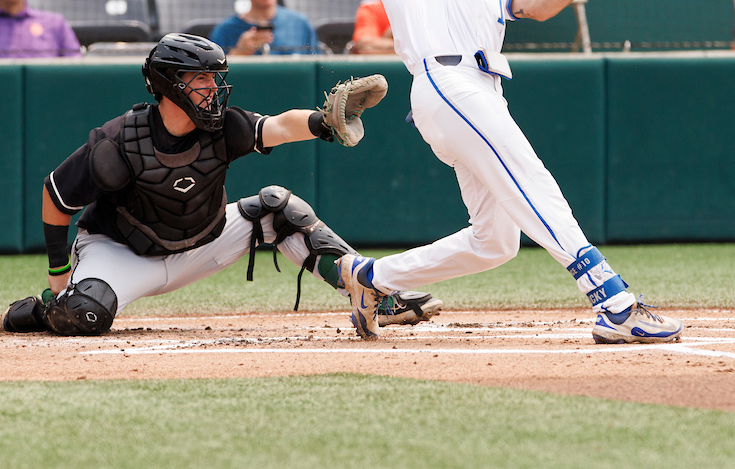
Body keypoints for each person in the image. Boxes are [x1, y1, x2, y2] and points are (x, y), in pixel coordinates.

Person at [335, 0, 684, 345]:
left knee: (495, 242)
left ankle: (371, 276)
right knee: (531, 179)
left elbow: (537, 6)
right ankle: (614, 303)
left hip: (481, 91)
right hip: (447, 83)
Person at [2, 33, 441, 336]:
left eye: (215, 77)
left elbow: (278, 126)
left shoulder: (223, 127)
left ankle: (376, 294)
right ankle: (42, 310)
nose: (214, 87)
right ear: (170, 84)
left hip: (201, 241)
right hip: (123, 253)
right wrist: (57, 275)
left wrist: (322, 121)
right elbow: (55, 196)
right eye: (202, 78)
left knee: (278, 207)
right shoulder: (117, 142)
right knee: (84, 314)